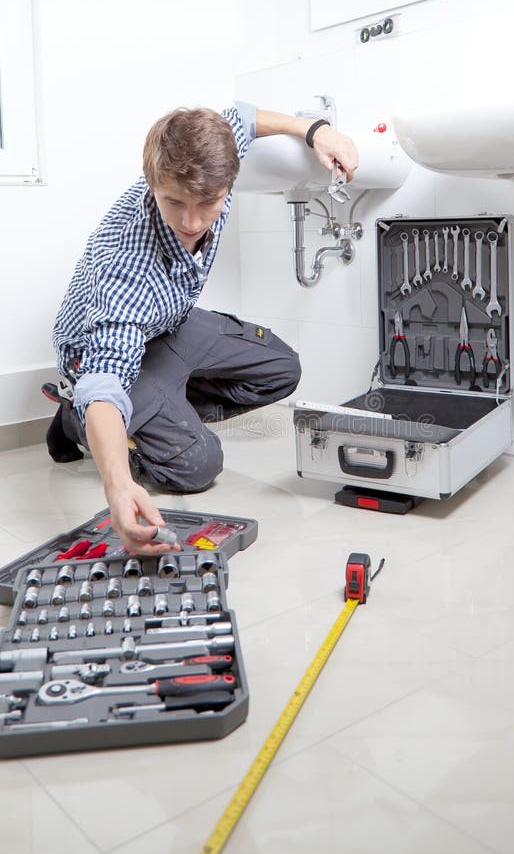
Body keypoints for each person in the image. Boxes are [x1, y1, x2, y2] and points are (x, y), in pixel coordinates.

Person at [43, 102, 358, 555]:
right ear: (153, 183)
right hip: (99, 356)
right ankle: (77, 417)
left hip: (166, 323)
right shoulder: (126, 267)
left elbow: (244, 116)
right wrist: (118, 488)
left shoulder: (212, 154)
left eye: (207, 204)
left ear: (228, 183)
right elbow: (106, 377)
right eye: (174, 202)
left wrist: (315, 129)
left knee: (282, 368)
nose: (191, 223)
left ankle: (155, 410)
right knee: (198, 464)